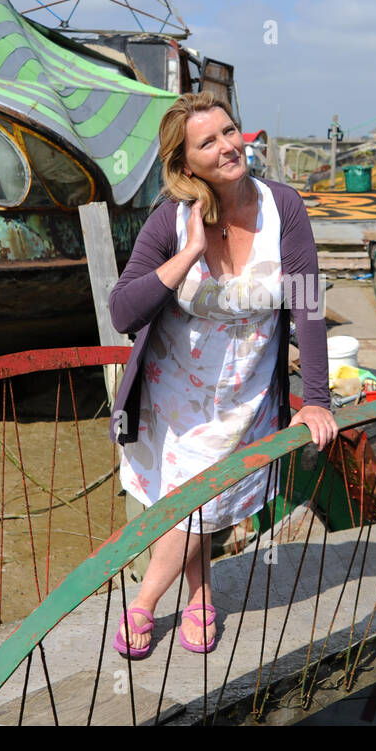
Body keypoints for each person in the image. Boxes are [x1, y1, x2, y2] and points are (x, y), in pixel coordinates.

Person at [107, 91, 336, 657]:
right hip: (175, 396)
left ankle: (169, 597)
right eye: (208, 141)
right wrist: (187, 254)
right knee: (197, 502)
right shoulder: (170, 220)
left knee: (208, 503)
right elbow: (122, 311)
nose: (229, 145)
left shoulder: (285, 209)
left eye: (230, 130)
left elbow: (306, 303)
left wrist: (316, 398)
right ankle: (163, 600)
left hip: (247, 395)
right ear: (186, 164)